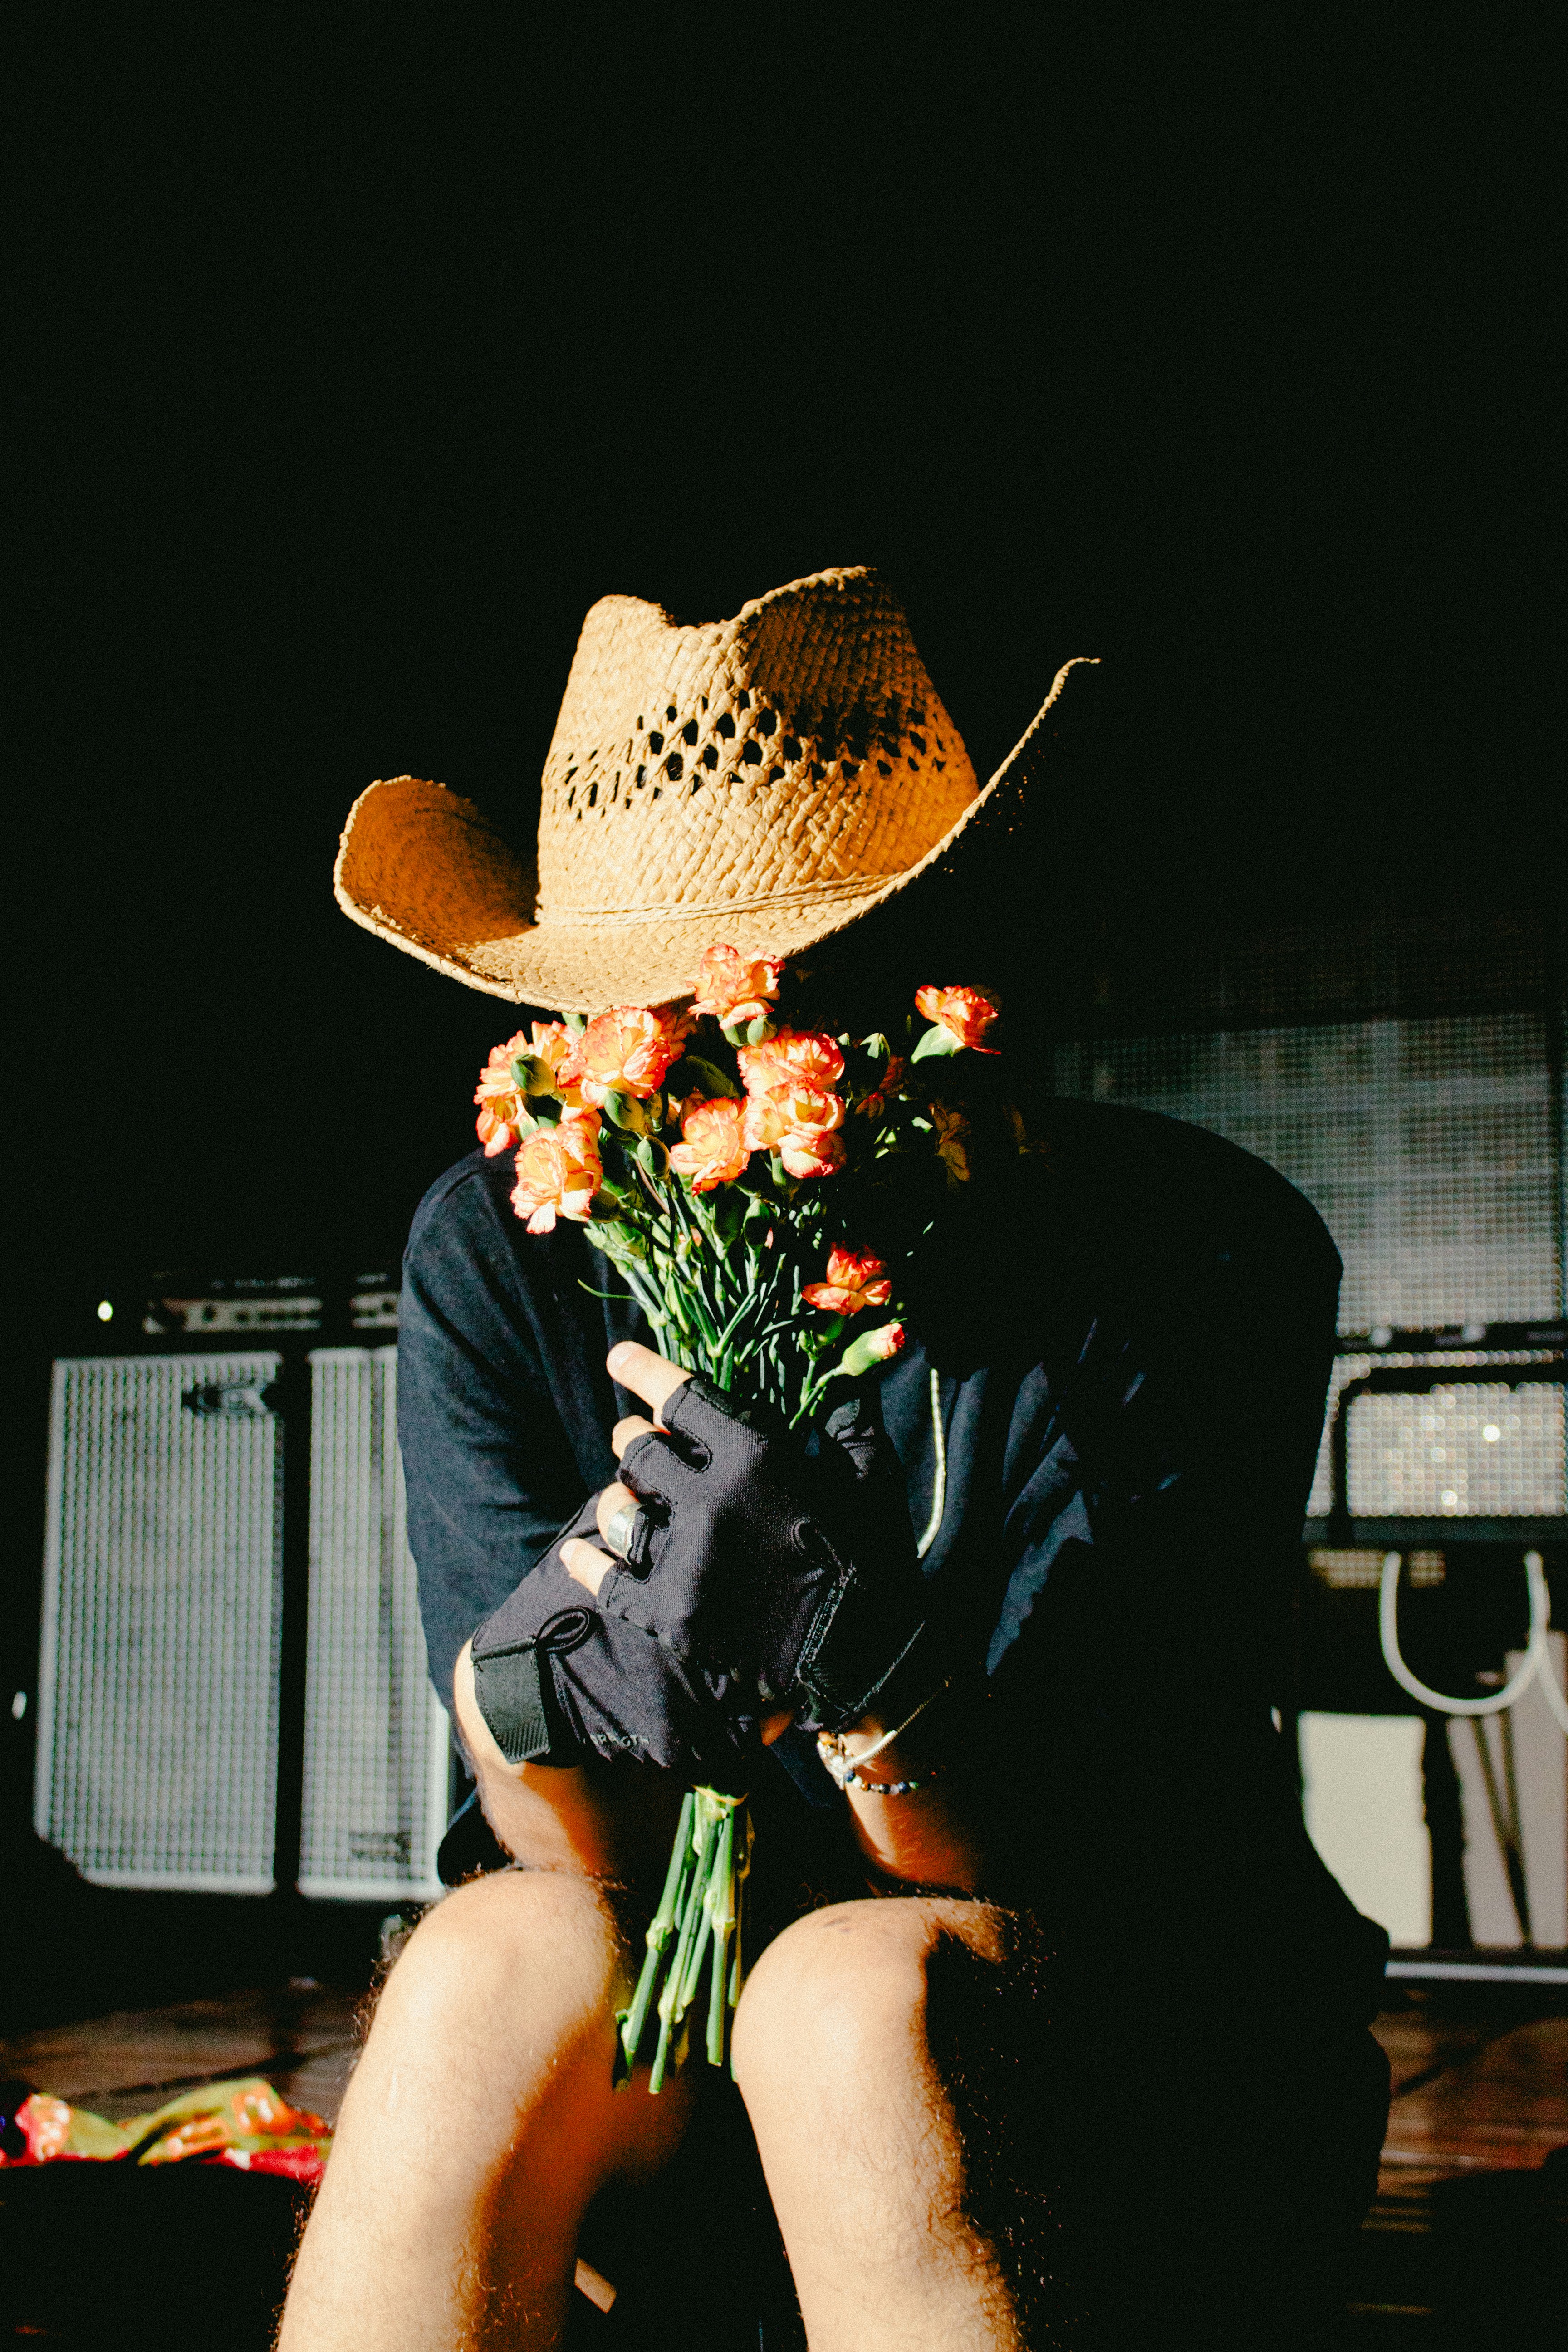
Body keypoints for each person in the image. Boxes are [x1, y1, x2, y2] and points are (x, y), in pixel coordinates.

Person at [279, 569, 1390, 2351]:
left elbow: (1061, 1848)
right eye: (664, 1006)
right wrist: (605, 1619)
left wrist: (863, 1663)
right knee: (487, 1972)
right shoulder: (504, 1240)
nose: (752, 1048)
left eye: (823, 979)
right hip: (686, 2084)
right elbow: (552, 1838)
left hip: (1096, 2045)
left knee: (845, 2001)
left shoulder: (1194, 1254)